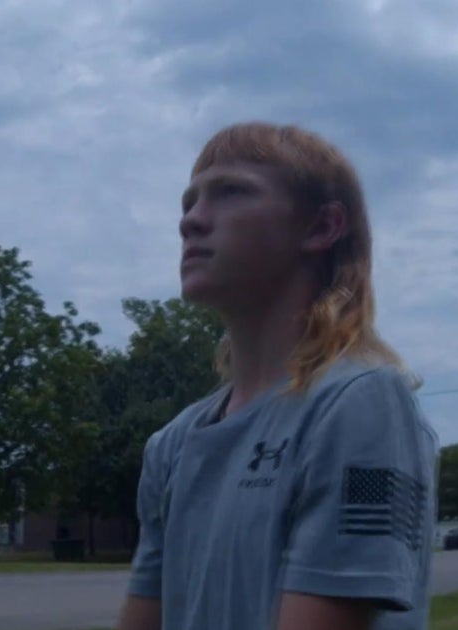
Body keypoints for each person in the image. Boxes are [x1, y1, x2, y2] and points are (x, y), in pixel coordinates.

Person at [116, 122, 439, 630]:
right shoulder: (171, 445)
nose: (192, 222)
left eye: (231, 192)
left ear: (321, 228)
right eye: (188, 202)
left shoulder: (363, 403)